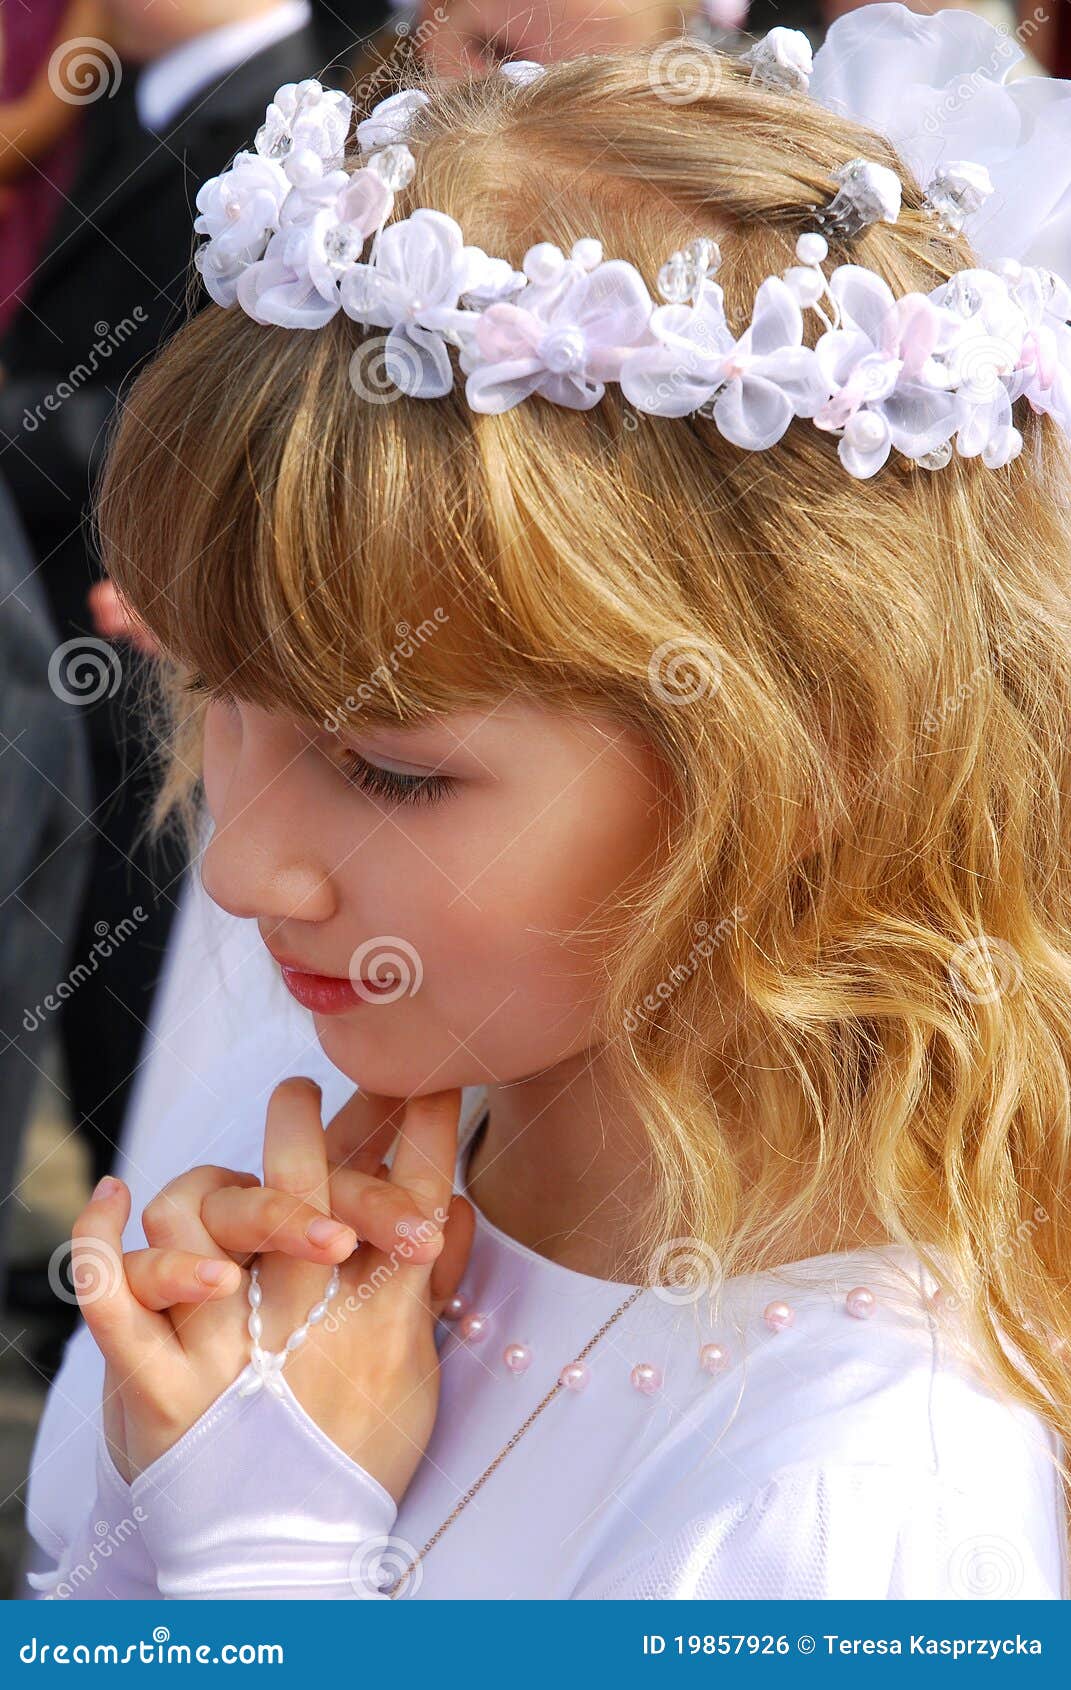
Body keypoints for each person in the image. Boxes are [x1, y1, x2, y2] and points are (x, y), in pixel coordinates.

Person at [22, 4, 1071, 1599]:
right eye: (216, 701)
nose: (239, 869)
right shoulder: (294, 1118)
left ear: (806, 758)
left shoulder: (858, 1511)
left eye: (393, 768)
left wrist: (266, 1568)